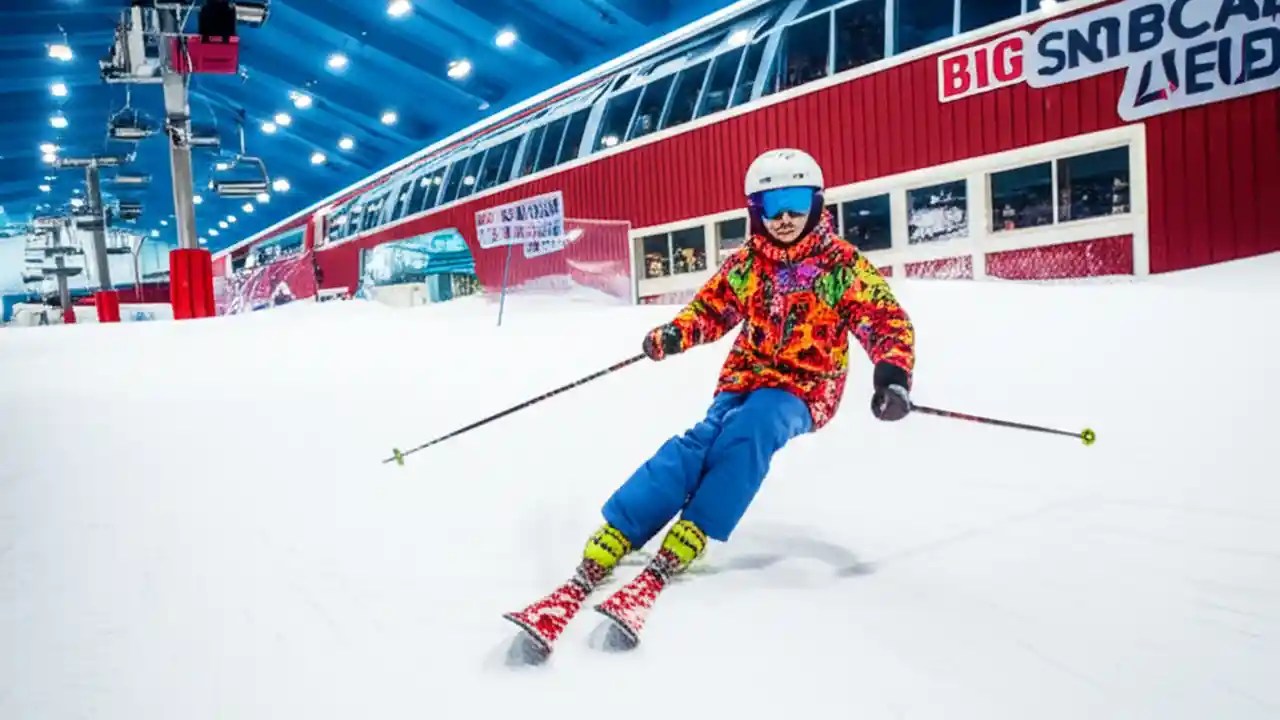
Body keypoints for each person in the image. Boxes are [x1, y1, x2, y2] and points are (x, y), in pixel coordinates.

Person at [570, 148, 917, 590]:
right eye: (772, 206)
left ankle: (696, 526)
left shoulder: (840, 265)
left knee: (753, 427)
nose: (785, 217)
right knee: (702, 439)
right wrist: (673, 335)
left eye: (796, 203)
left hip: (806, 387)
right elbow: (710, 311)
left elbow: (884, 320)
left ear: (816, 204)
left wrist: (892, 378)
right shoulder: (748, 264)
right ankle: (626, 524)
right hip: (745, 375)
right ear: (756, 211)